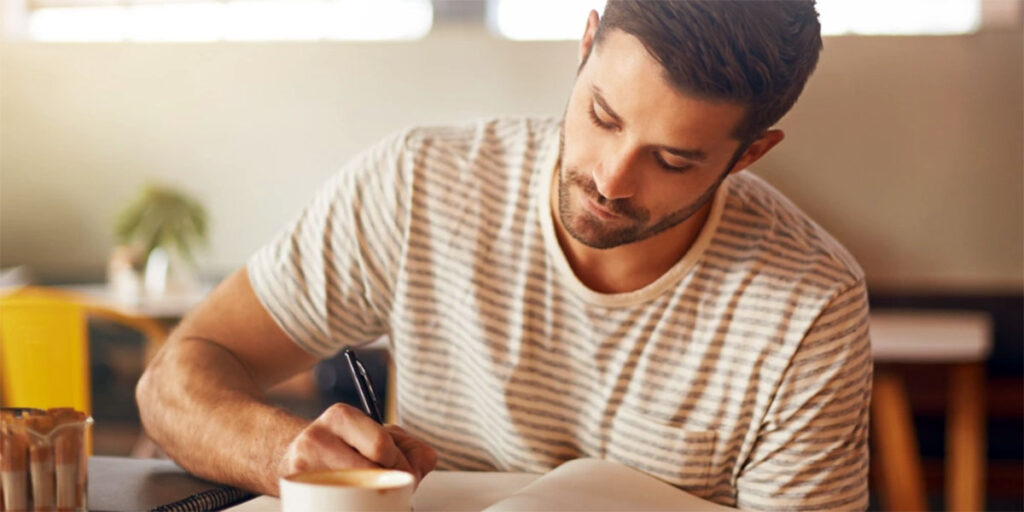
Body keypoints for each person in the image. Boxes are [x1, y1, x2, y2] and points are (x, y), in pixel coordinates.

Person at [137, 1, 871, 509]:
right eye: (602, 116)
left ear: (750, 155)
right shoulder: (421, 184)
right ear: (585, 46)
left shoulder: (812, 304)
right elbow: (172, 381)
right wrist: (283, 454)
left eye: (673, 160)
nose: (611, 180)